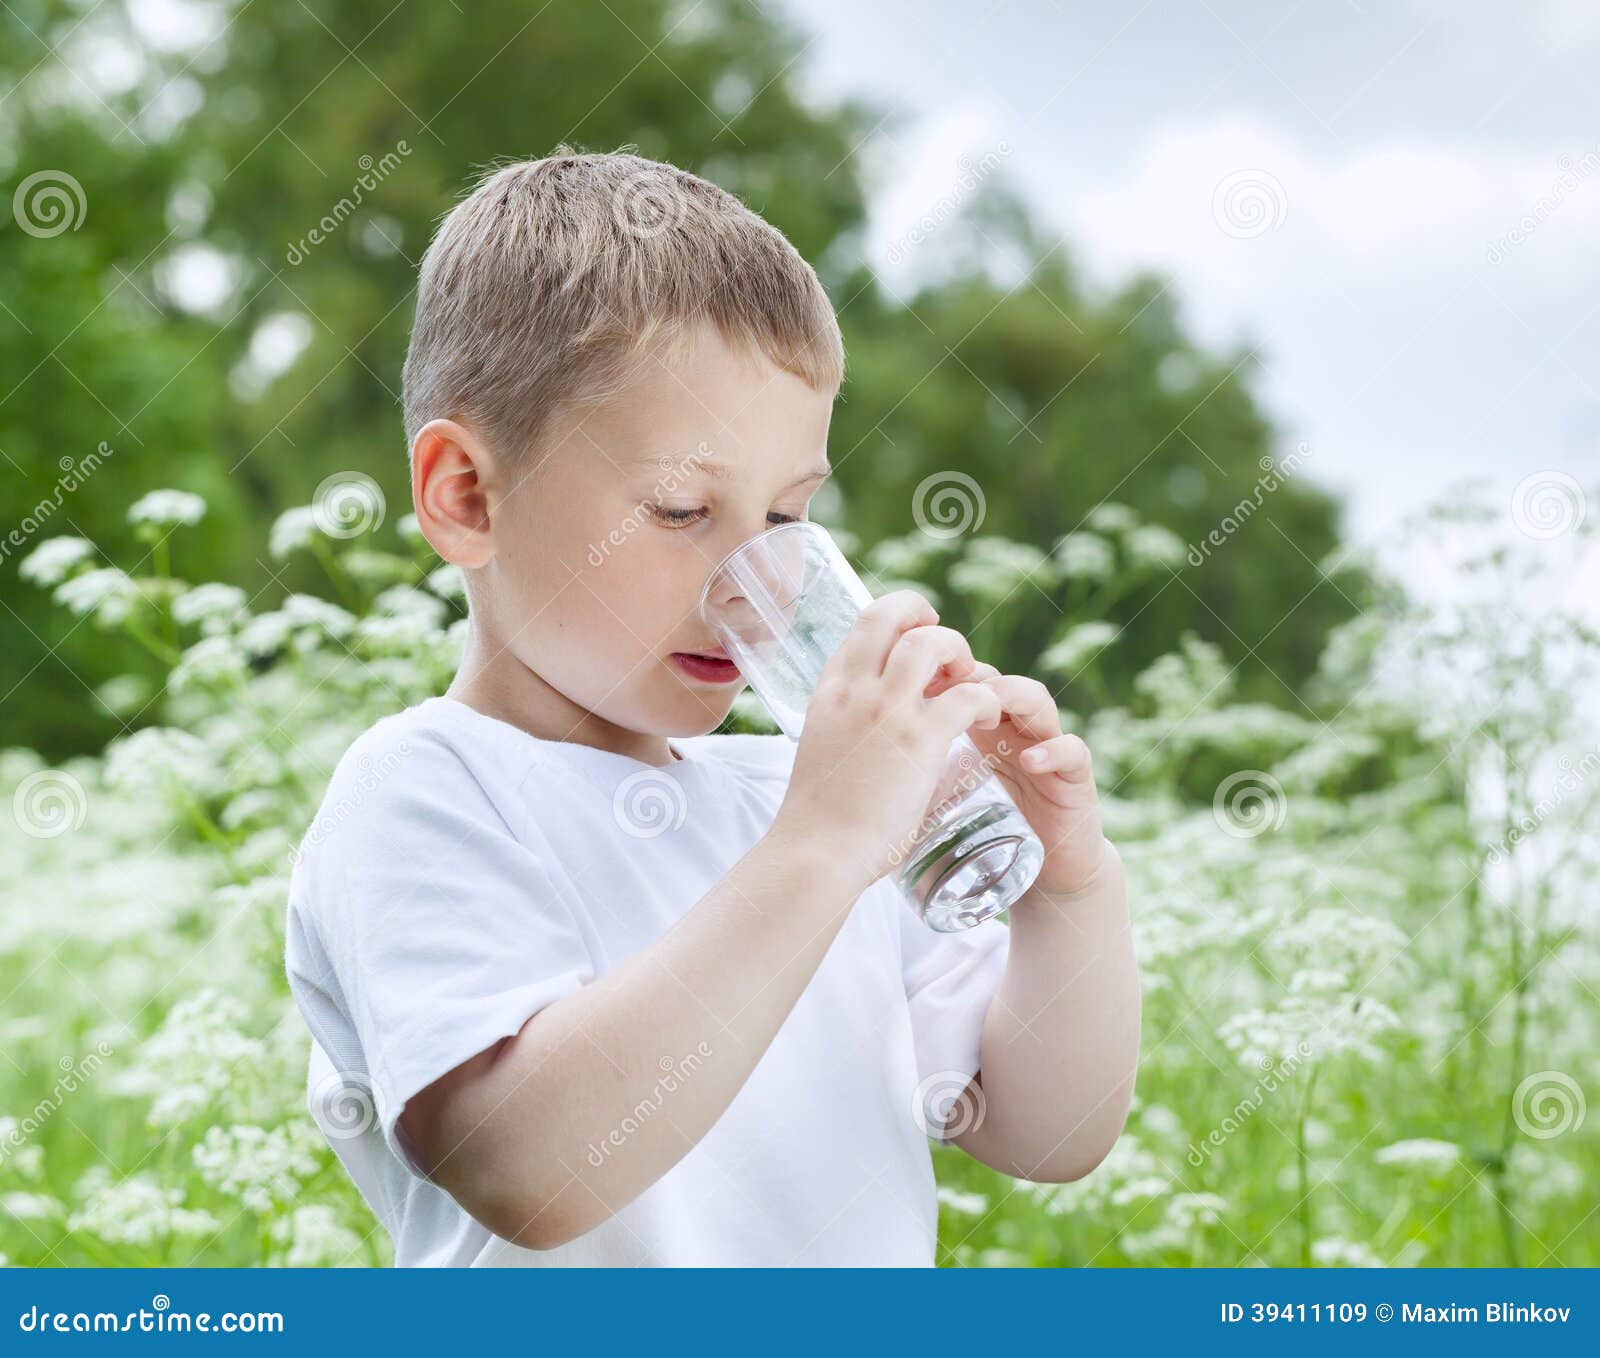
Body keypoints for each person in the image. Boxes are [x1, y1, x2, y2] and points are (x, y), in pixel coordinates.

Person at [284, 148, 1141, 1267]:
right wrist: (824, 842)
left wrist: (1068, 889)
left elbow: (1051, 1131)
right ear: (467, 495)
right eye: (681, 507)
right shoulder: (424, 788)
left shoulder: (805, 798)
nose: (752, 578)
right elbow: (530, 1170)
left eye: (787, 515)